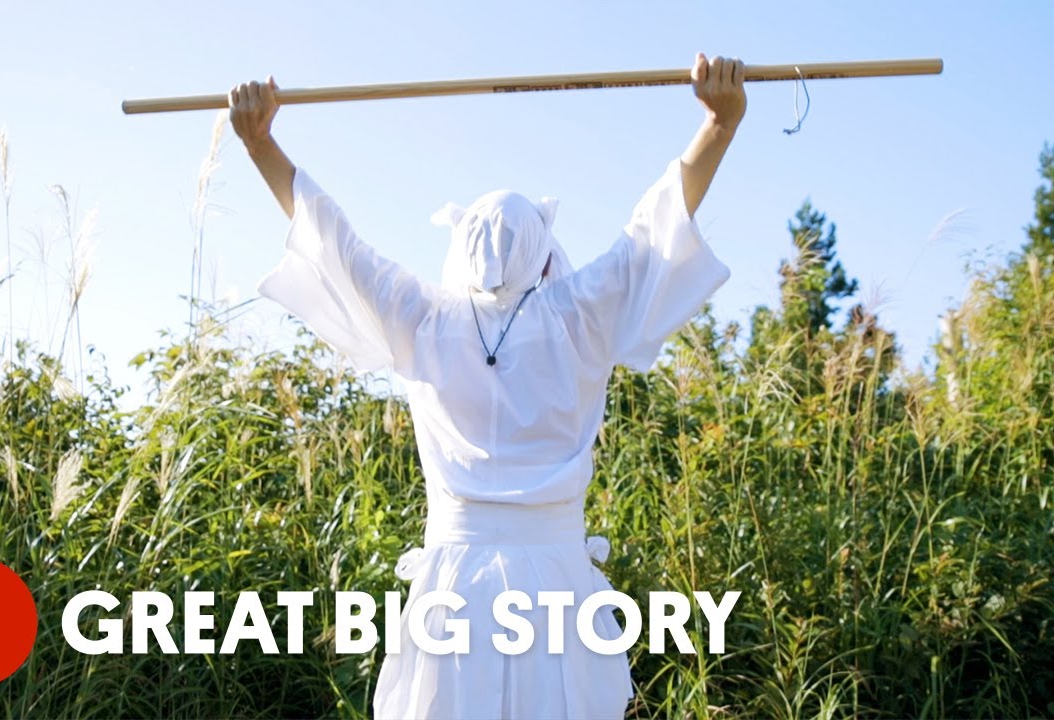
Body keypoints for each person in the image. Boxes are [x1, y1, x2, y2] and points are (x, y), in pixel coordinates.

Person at [231, 52, 746, 720]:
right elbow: (656, 229)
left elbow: (333, 241)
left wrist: (259, 142)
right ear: (543, 251)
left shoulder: (422, 317)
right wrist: (719, 124)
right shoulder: (580, 314)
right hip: (556, 585)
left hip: (456, 588)